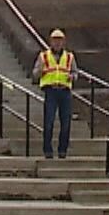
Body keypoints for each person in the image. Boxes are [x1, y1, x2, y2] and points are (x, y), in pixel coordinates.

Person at [32, 28, 77, 159]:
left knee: (66, 123)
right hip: (50, 91)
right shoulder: (43, 56)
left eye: (60, 40)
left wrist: (72, 77)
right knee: (49, 122)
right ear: (50, 41)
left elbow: (75, 72)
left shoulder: (69, 57)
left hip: (65, 91)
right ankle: (48, 150)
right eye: (55, 40)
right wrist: (40, 72)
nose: (57, 43)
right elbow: (35, 73)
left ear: (63, 42)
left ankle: (63, 150)